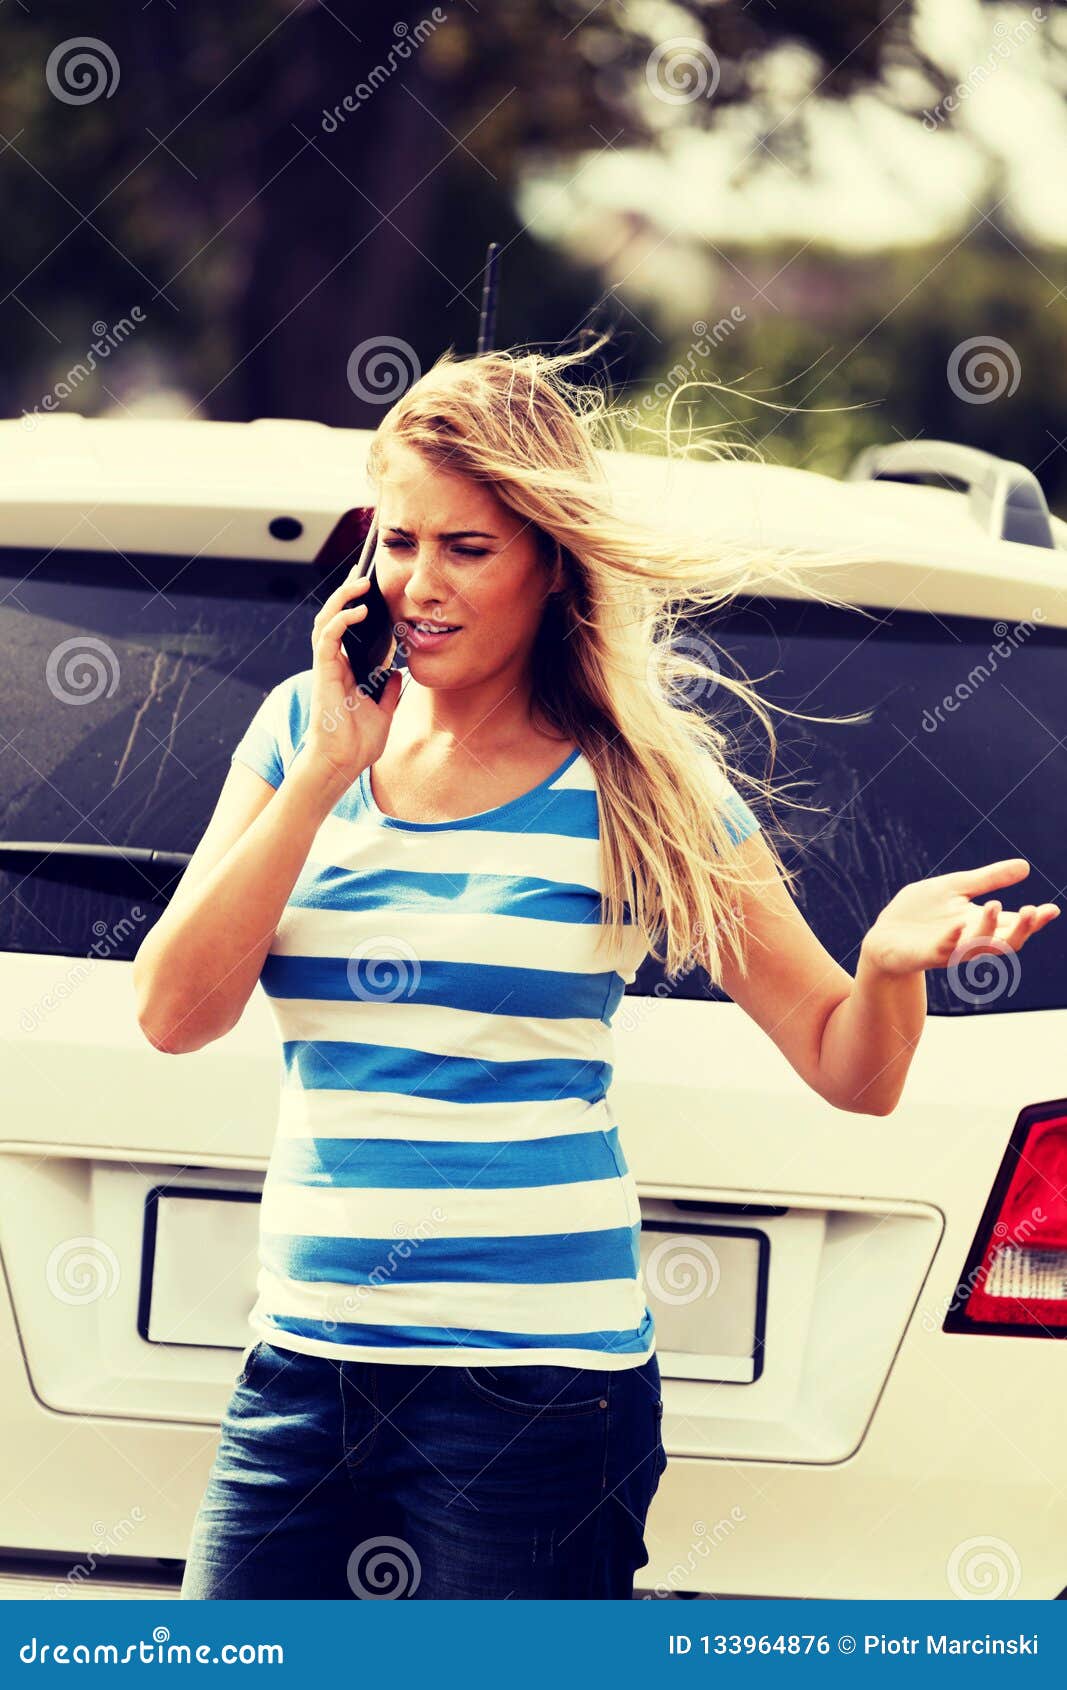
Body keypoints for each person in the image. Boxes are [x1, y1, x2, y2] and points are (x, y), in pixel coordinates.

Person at [134, 338, 1059, 1600]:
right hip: (301, 1373)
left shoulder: (631, 777)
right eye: (399, 544)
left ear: (546, 564)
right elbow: (175, 1013)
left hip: (533, 1400)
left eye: (468, 549)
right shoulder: (301, 733)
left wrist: (889, 968)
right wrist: (323, 774)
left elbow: (850, 1069)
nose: (420, 584)